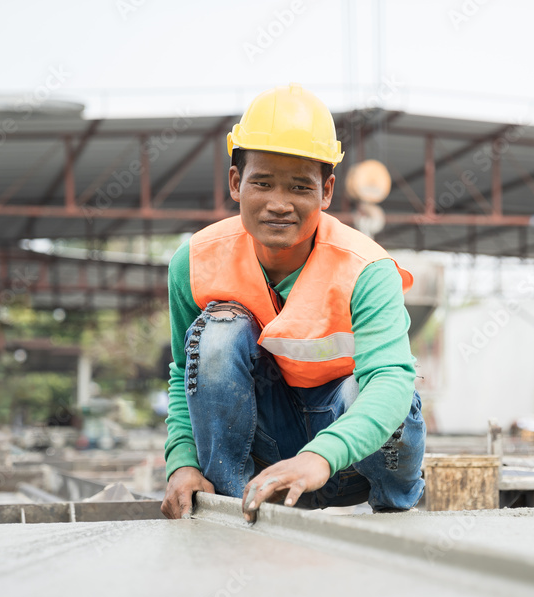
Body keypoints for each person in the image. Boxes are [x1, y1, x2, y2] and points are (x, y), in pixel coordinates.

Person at [160, 84, 425, 521]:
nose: (279, 204)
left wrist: (321, 455)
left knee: (388, 394)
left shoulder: (366, 268)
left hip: (354, 460)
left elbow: (391, 380)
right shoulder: (194, 263)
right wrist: (182, 462)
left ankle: (394, 504)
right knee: (217, 334)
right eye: (262, 183)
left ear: (326, 191)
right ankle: (231, 504)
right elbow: (182, 374)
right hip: (268, 459)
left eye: (300, 187)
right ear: (236, 183)